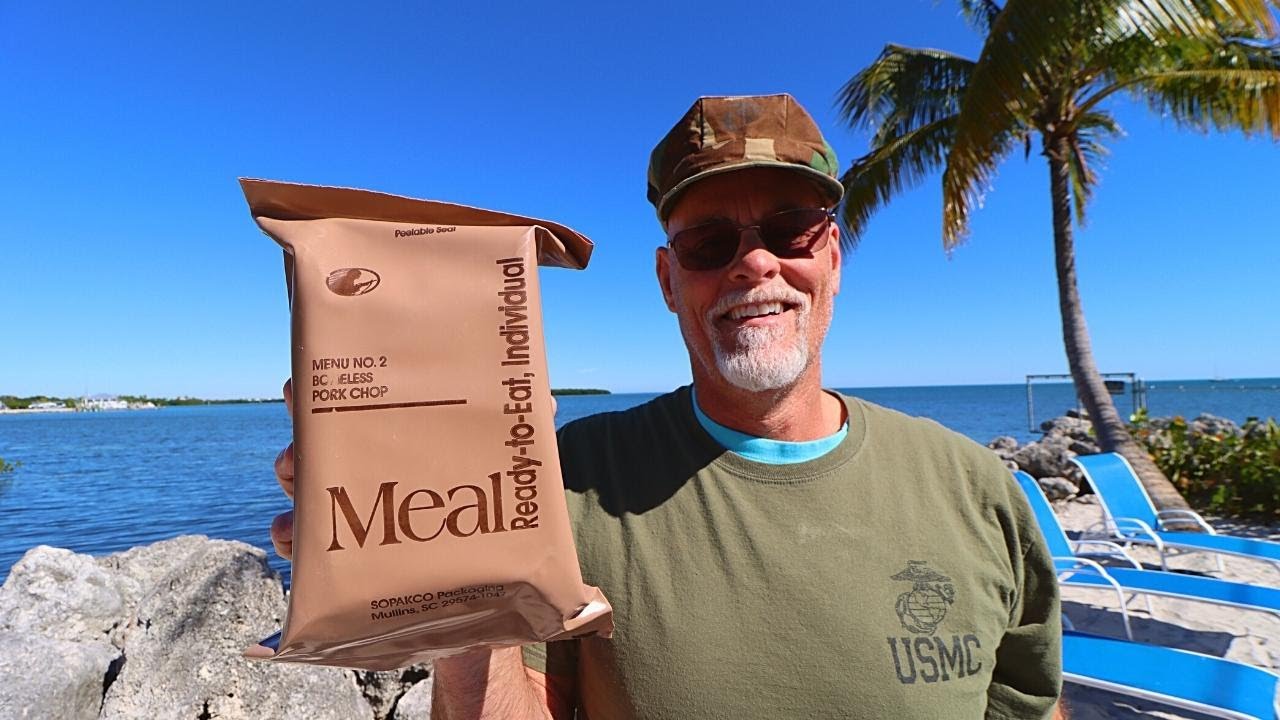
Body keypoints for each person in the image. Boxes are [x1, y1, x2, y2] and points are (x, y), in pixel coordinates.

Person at [271, 93, 1063, 719]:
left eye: (789, 230)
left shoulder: (975, 488)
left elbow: (1032, 705)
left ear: (831, 257)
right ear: (667, 282)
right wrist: (455, 596)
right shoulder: (566, 482)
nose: (755, 263)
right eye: (709, 244)